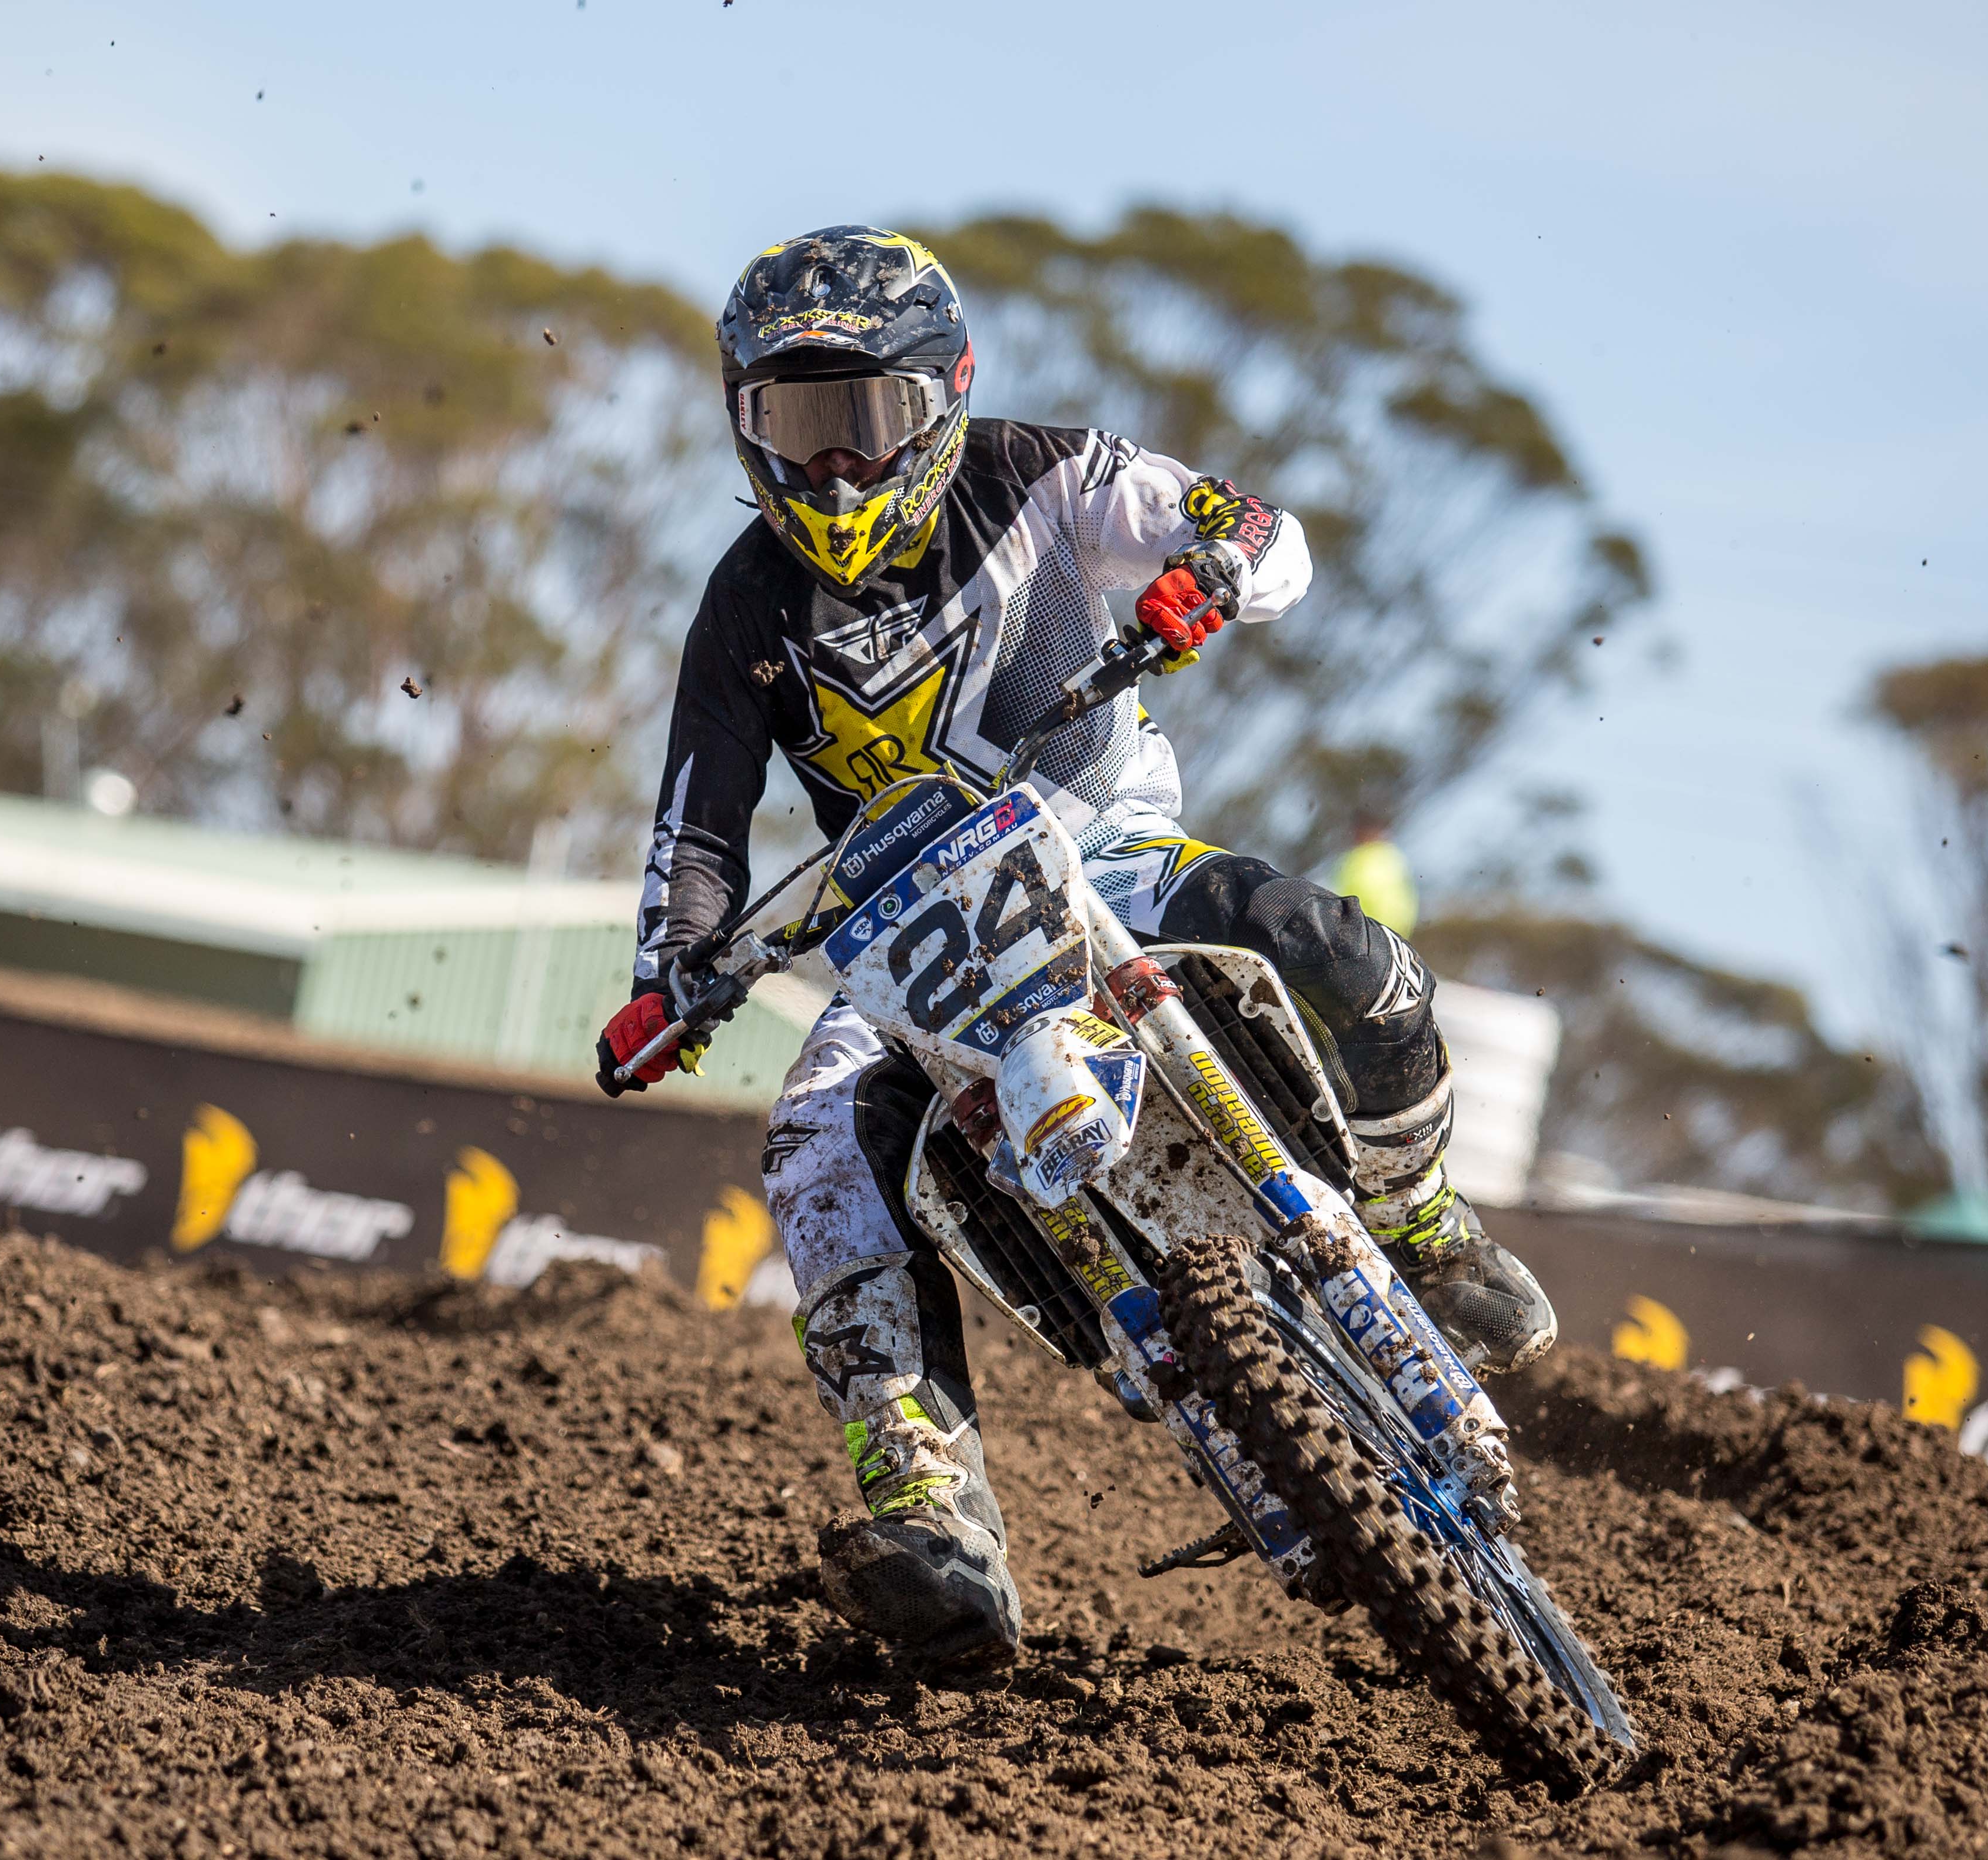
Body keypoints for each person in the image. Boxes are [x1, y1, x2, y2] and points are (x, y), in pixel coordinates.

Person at [595, 227, 1554, 1667]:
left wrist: (1214, 574)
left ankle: (1420, 1218)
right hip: (911, 942)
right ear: (744, 424)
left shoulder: (1047, 475)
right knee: (814, 1143)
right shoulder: (743, 606)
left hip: (1104, 849)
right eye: (798, 424)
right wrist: (670, 971)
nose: (841, 464)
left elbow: (1263, 528)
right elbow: (700, 828)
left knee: (1335, 945)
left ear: (947, 399)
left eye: (871, 420)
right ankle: (932, 1509)